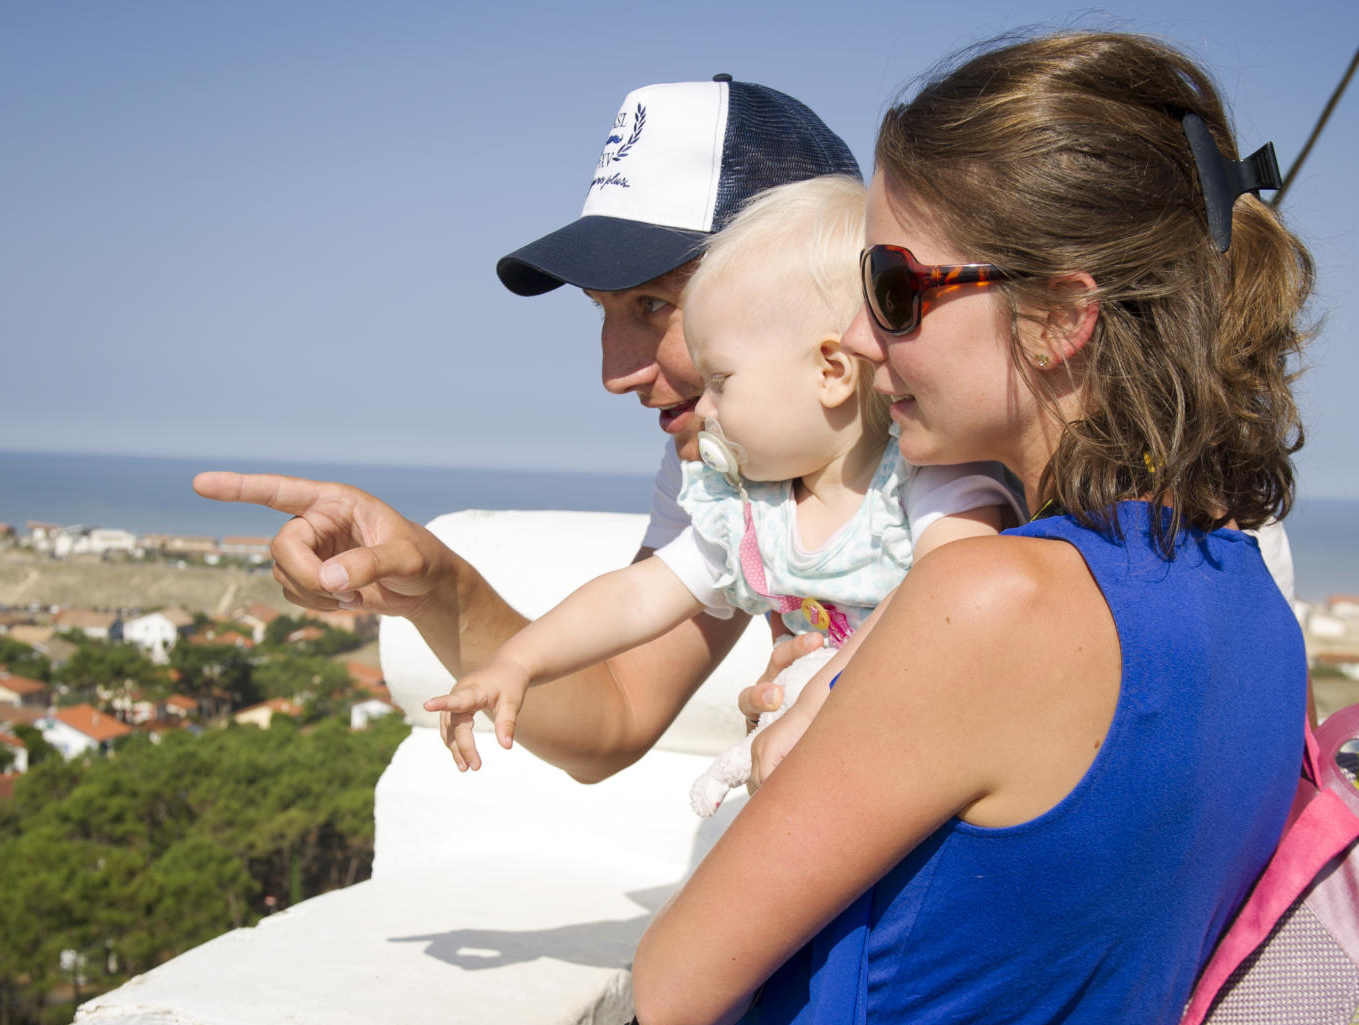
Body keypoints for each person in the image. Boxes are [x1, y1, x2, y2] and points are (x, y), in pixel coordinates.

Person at [611, 32, 1316, 1025]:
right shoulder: (1248, 610)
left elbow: (677, 980)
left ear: (1058, 319)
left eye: (893, 288)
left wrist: (811, 721)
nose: (865, 342)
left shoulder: (990, 602)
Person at [195, 75, 861, 780]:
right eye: (602, 309)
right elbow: (617, 714)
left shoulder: (965, 461)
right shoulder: (719, 467)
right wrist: (440, 587)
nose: (615, 372)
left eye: (654, 306)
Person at [422, 176, 1020, 773]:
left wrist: (821, 696)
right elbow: (635, 595)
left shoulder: (924, 479)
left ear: (832, 371)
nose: (704, 409)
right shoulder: (751, 510)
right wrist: (517, 663)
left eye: (721, 382)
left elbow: (945, 589)